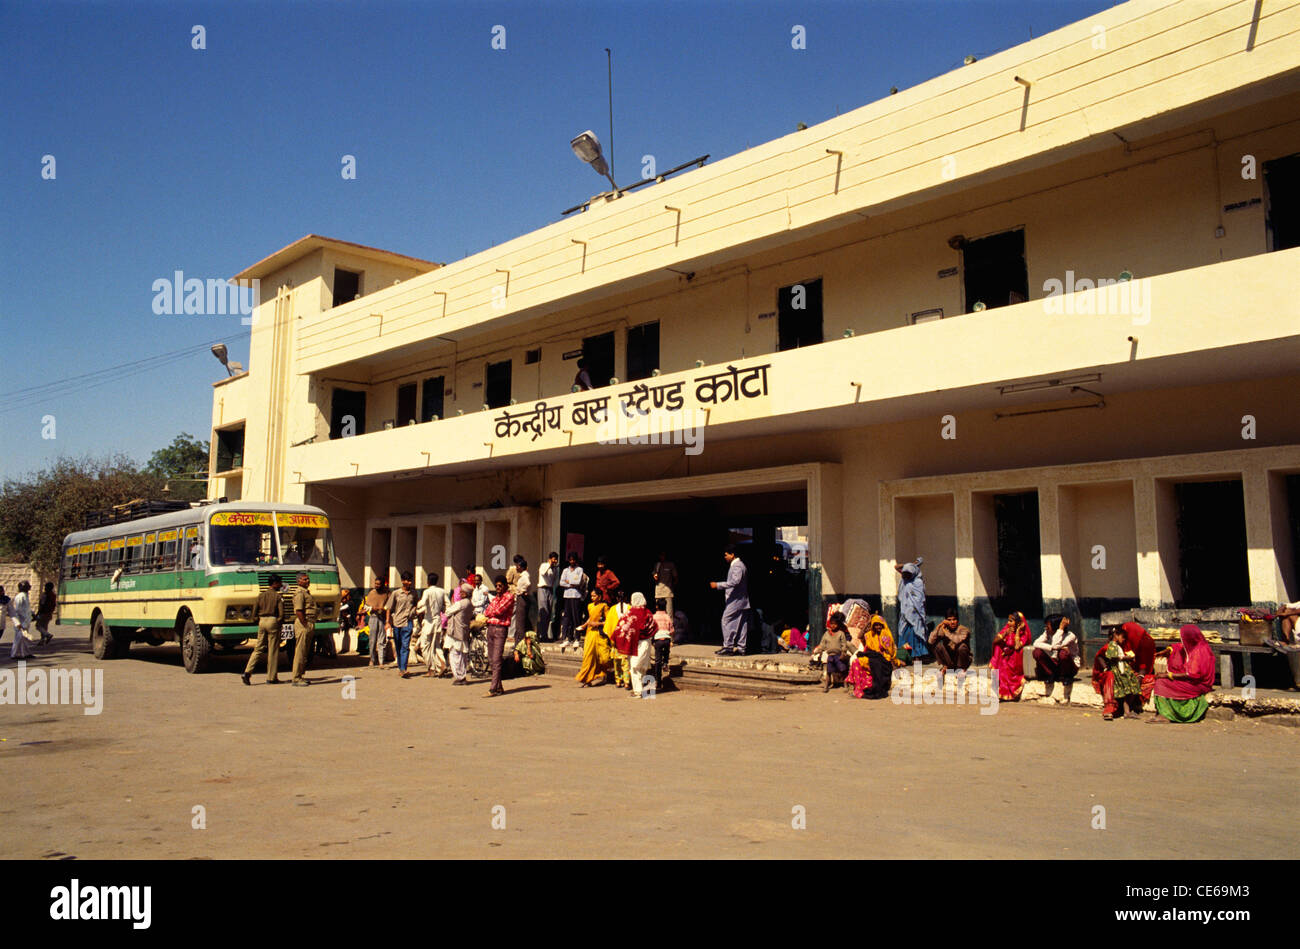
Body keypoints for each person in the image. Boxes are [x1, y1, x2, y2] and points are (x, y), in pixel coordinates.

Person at [1149, 624, 1215, 724]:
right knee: (1162, 680)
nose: (1181, 640)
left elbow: (1191, 674)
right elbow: (1179, 647)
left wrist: (1168, 675)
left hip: (1199, 684)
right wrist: (1168, 650)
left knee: (1161, 683)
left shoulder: (1198, 651)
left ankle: (1164, 715)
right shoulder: (1197, 645)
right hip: (1195, 680)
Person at [242, 575, 285, 685]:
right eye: (279, 583)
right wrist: (279, 622)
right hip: (272, 621)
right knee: (273, 650)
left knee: (258, 648)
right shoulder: (277, 597)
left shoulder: (260, 596)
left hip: (262, 621)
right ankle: (271, 677)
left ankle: (247, 672)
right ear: (275, 583)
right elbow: (281, 614)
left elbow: (254, 612)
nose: (281, 585)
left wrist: (259, 620)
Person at [1093, 626, 1141, 720]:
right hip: (1118, 672)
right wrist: (1125, 658)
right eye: (1122, 637)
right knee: (1127, 689)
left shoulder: (1118, 646)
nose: (1123, 640)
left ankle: (1127, 712)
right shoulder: (1112, 645)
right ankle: (1118, 710)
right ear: (1116, 635)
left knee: (1130, 689)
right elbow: (1112, 657)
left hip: (1124, 671)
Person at [710, 546, 750, 656]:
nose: (725, 557)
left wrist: (718, 585)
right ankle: (742, 647)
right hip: (741, 600)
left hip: (736, 600)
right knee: (741, 623)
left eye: (726, 554)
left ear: (732, 555)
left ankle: (728, 646)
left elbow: (735, 581)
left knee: (726, 620)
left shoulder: (737, 566)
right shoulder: (739, 565)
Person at [1032, 613, 1079, 704]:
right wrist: (1050, 648)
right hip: (1056, 664)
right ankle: (1051, 674)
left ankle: (1066, 677)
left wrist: (1060, 629)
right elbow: (1036, 643)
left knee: (1063, 653)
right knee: (1037, 652)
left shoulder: (1070, 636)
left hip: (1070, 666)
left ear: (1056, 627)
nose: (1046, 629)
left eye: (1048, 626)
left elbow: (1056, 645)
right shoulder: (1047, 633)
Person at [618, 592, 657, 697]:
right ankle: (641, 690)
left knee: (636, 666)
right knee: (640, 666)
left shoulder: (631, 613)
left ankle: (639, 691)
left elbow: (622, 625)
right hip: (643, 643)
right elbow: (653, 626)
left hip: (637, 643)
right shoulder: (647, 613)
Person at [483, 575, 515, 696]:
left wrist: (491, 613)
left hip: (500, 629)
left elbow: (498, 611)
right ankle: (499, 687)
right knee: (491, 659)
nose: (498, 588)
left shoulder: (509, 597)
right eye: (496, 586)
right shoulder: (496, 598)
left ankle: (492, 689)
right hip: (490, 628)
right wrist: (491, 613)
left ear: (505, 586)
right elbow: (487, 611)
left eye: (500, 586)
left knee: (496, 659)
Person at [990, 611, 1031, 701]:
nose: (1008, 623)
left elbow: (1017, 647)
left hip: (1016, 657)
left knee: (1006, 666)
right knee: (998, 647)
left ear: (1018, 623)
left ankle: (1011, 690)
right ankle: (1002, 692)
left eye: (1011, 621)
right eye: (1008, 620)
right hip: (1006, 655)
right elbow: (995, 641)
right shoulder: (1007, 629)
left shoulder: (1024, 634)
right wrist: (1005, 634)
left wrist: (1017, 632)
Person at [575, 589, 613, 687]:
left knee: (604, 658)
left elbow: (608, 621)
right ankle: (586, 679)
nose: (592, 598)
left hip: (600, 634)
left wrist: (598, 623)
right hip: (590, 633)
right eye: (591, 596)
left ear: (600, 596)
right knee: (588, 656)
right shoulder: (590, 606)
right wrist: (583, 626)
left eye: (594, 596)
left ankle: (603, 673)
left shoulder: (604, 606)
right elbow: (590, 618)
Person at [894, 558, 930, 661]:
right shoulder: (904, 581)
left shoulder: (918, 582)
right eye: (904, 573)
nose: (905, 575)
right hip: (905, 614)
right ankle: (905, 656)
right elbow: (896, 567)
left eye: (907, 573)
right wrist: (912, 564)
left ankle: (917, 656)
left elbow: (919, 599)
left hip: (916, 614)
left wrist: (913, 565)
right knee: (905, 634)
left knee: (916, 635)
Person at [387, 571, 418, 678]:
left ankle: (404, 669)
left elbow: (416, 605)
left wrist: (415, 613)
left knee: (405, 646)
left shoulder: (414, 593)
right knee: (399, 645)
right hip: (397, 622)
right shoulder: (396, 593)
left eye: (410, 580)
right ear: (402, 581)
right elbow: (389, 608)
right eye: (406, 580)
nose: (408, 583)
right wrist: (388, 622)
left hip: (408, 622)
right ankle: (400, 667)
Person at [445, 584, 475, 686]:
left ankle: (459, 676)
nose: (460, 593)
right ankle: (462, 675)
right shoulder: (470, 604)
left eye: (462, 591)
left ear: (466, 593)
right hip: (463, 631)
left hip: (456, 631)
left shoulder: (461, 603)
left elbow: (448, 611)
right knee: (462, 655)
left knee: (455, 654)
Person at [811, 614, 850, 692]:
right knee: (829, 671)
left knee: (842, 669)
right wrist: (818, 651)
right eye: (831, 624)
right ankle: (826, 686)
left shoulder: (841, 633)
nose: (833, 626)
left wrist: (843, 652)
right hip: (830, 656)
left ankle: (845, 684)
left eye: (835, 624)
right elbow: (822, 644)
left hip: (838, 655)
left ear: (838, 624)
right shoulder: (826, 634)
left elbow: (844, 644)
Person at [417, 577, 447, 677]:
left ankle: (431, 668)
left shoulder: (427, 591)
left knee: (425, 646)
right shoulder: (442, 591)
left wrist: (417, 606)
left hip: (429, 622)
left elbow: (422, 603)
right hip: (438, 621)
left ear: (428, 582)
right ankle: (441, 664)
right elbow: (447, 605)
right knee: (436, 645)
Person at [290, 573, 316, 687]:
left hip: (309, 622)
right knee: (300, 651)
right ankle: (296, 678)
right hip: (303, 623)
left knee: (305, 651)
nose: (307, 581)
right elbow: (299, 610)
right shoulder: (299, 593)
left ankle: (300, 675)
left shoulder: (306, 592)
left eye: (308, 579)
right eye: (305, 579)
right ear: (299, 581)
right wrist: (305, 623)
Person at [929, 608, 971, 673]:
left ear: (957, 620)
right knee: (937, 645)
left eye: (954, 619)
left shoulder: (964, 629)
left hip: (962, 661)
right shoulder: (945, 629)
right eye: (949, 620)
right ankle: (946, 666)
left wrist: (946, 632)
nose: (952, 622)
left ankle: (962, 668)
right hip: (949, 659)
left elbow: (957, 640)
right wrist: (939, 626)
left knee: (962, 646)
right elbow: (931, 641)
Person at [559, 552, 587, 648]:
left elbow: (578, 582)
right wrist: (571, 584)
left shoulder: (579, 570)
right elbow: (561, 582)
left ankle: (577, 638)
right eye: (570, 560)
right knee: (567, 617)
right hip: (567, 596)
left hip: (576, 596)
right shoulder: (565, 570)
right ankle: (566, 638)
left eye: (573, 560)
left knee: (576, 618)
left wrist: (568, 582)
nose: (572, 561)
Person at [365, 576, 390, 667]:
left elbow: (388, 607)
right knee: (372, 640)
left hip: (382, 619)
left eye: (379, 584)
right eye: (376, 584)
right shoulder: (371, 593)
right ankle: (372, 659)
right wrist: (372, 608)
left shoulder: (387, 594)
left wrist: (387, 620)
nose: (377, 585)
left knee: (382, 640)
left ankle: (381, 661)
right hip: (373, 617)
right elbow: (366, 606)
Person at [652, 598, 674, 689]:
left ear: (656, 607)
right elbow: (671, 630)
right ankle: (665, 662)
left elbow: (652, 629)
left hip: (658, 639)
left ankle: (658, 681)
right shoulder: (667, 617)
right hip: (667, 638)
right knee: (666, 653)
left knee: (657, 661)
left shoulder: (654, 617)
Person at [537, 551, 559, 642]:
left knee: (549, 612)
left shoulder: (555, 569)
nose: (555, 562)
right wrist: (549, 565)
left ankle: (545, 634)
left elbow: (554, 580)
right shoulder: (544, 565)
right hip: (542, 588)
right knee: (543, 611)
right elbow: (543, 573)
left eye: (556, 560)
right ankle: (541, 634)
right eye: (553, 560)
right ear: (549, 559)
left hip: (550, 589)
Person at [9, 582, 33, 660]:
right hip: (21, 621)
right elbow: (18, 610)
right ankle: (14, 654)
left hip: (26, 620)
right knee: (18, 638)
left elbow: (27, 608)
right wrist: (18, 622)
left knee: (24, 638)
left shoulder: (26, 596)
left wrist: (32, 614)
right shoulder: (20, 596)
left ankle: (25, 653)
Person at [509, 555, 531, 643]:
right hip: (519, 596)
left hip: (521, 597)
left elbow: (528, 583)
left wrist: (523, 591)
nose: (517, 568)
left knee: (520, 622)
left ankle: (520, 641)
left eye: (518, 566)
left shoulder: (524, 576)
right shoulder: (523, 575)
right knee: (519, 620)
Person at [652, 551, 678, 622]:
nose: (662, 556)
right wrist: (655, 575)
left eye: (663, 555)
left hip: (668, 592)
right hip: (659, 592)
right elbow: (655, 575)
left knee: (669, 613)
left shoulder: (671, 565)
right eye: (660, 555)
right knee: (658, 613)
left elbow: (675, 577)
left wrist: (673, 587)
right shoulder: (657, 564)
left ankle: (670, 630)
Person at [35, 581, 56, 646]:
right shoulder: (53, 595)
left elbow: (42, 604)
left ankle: (48, 635)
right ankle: (42, 640)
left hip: (43, 613)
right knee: (44, 627)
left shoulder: (45, 595)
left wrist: (37, 613)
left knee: (38, 626)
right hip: (49, 613)